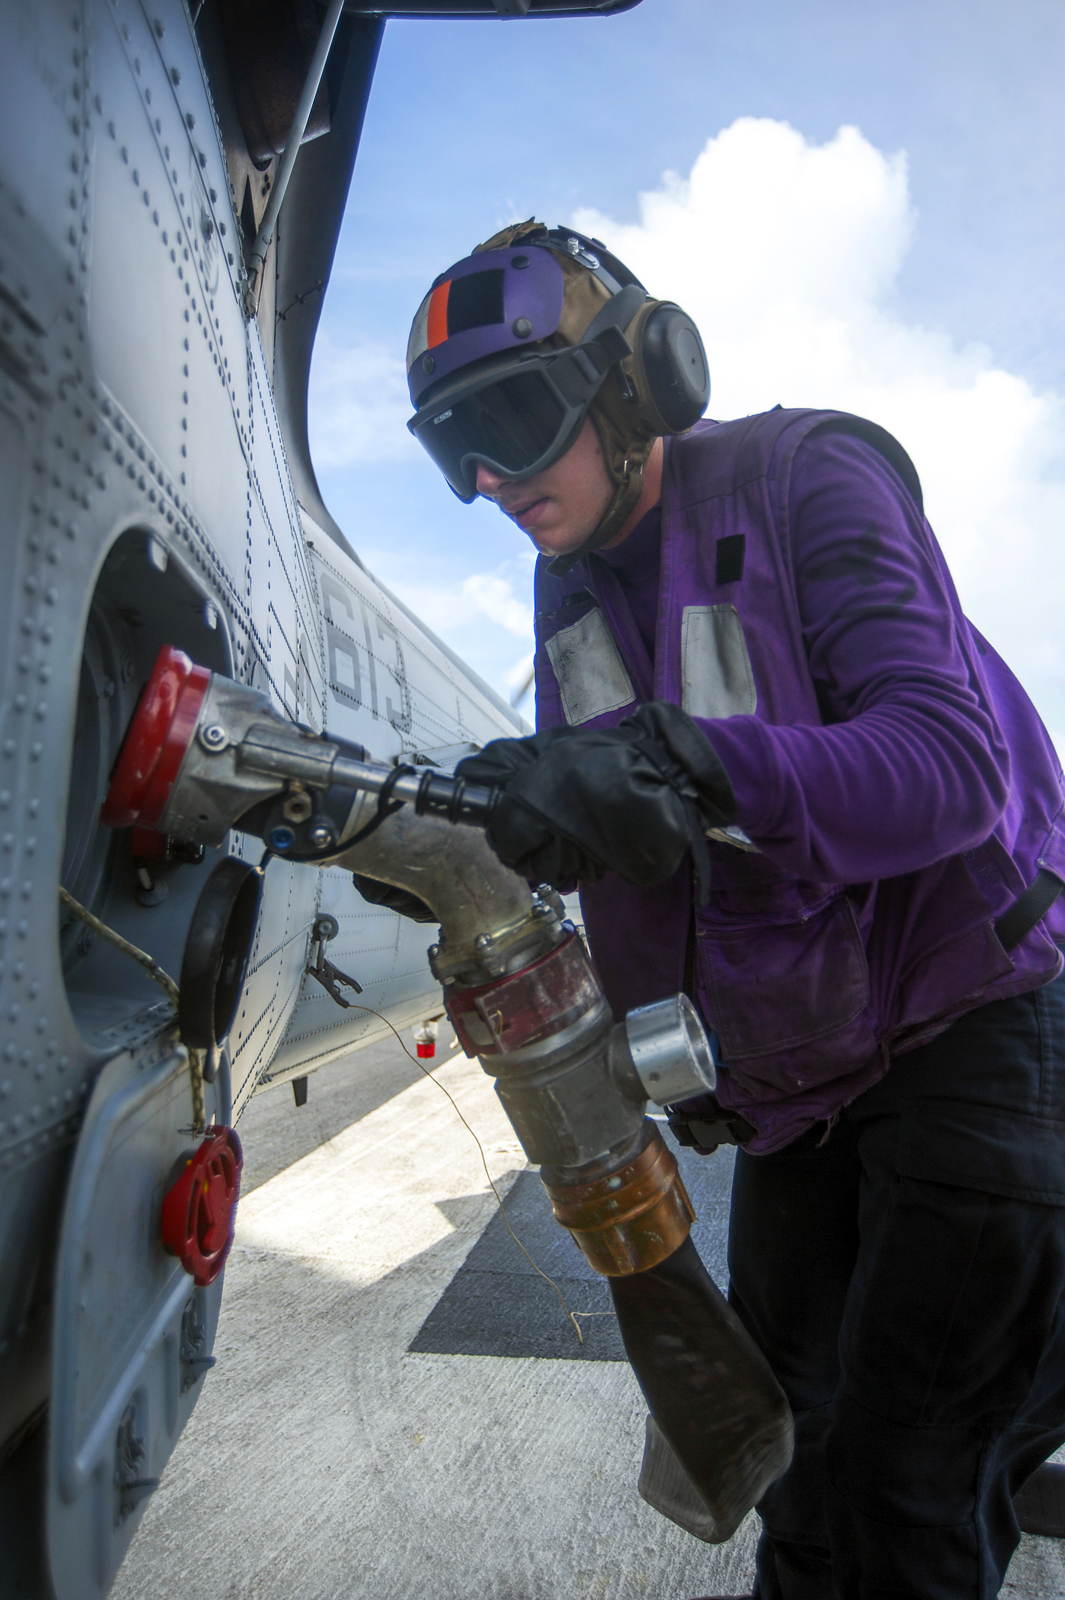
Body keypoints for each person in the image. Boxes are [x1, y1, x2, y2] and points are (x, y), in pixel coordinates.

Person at [401, 218, 1065, 1598]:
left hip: (970, 1030)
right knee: (796, 1474)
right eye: (451, 450)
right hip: (801, 1087)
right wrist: (505, 825)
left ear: (636, 378)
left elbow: (949, 770)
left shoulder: (807, 476)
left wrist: (686, 759)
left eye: (515, 421)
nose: (486, 479)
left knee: (906, 1489)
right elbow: (628, 830)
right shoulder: (566, 572)